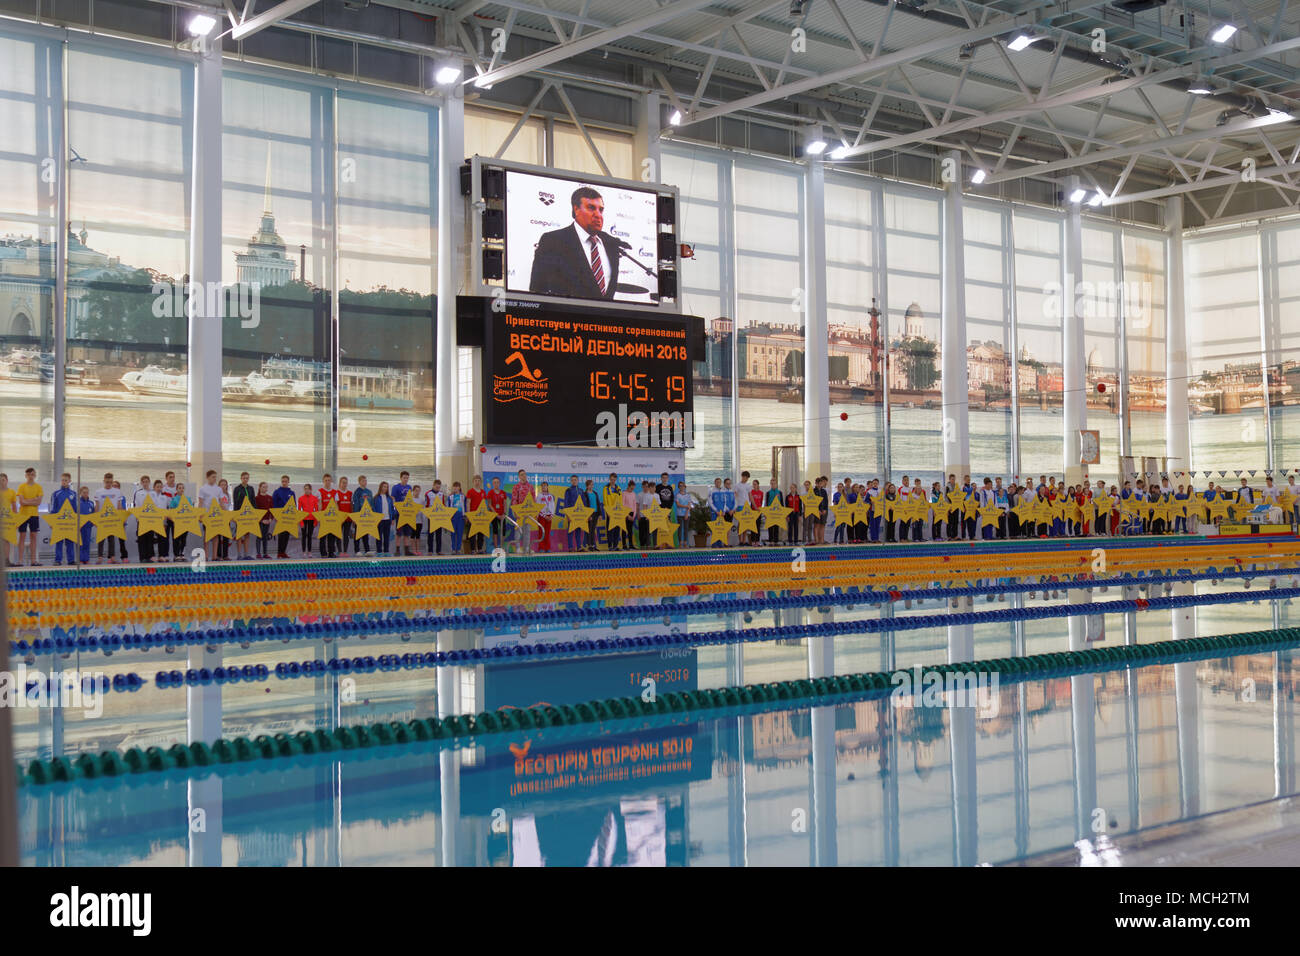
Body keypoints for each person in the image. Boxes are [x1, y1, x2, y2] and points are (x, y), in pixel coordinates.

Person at [528, 186, 622, 300]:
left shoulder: (611, 244)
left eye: (601, 210)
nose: (598, 215)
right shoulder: (553, 241)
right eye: (591, 208)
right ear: (576, 209)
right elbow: (537, 290)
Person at [92, 472, 126, 564]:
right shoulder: (98, 492)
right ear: (104, 481)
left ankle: (112, 557)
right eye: (107, 482)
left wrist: (122, 518)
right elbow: (97, 506)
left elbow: (119, 506)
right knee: (101, 539)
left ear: (112, 481)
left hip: (113, 519)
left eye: (110, 482)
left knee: (111, 539)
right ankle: (100, 557)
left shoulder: (117, 492)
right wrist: (95, 519)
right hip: (103, 519)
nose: (108, 484)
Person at [17, 467, 43, 567]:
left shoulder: (38, 487)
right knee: (22, 537)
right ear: (26, 476)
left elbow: (39, 502)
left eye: (32, 474)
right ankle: (20, 560)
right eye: (29, 475)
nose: (31, 476)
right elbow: (21, 502)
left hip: (34, 515)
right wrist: (33, 500)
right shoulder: (22, 487)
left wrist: (27, 501)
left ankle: (33, 560)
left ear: (35, 475)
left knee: (34, 537)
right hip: (23, 515)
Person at [50, 473, 77, 566]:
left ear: (69, 481)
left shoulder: (73, 494)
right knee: (59, 541)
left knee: (70, 541)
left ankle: (71, 560)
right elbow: (53, 508)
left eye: (66, 480)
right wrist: (52, 522)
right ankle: (58, 560)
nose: (64, 482)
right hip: (59, 522)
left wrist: (76, 521)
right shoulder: (56, 494)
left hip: (70, 523)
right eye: (62, 480)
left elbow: (75, 510)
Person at [167, 482, 196, 562]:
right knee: (176, 539)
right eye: (179, 488)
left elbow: (191, 510)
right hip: (176, 523)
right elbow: (172, 511)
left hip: (185, 523)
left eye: (182, 488)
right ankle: (176, 555)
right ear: (176, 489)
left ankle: (182, 554)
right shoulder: (174, 499)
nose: (181, 489)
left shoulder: (188, 499)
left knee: (183, 539)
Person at [271, 476, 296, 558]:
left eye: (286, 481)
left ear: (288, 482)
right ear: (281, 482)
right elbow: (274, 504)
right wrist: (276, 516)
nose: (284, 483)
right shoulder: (277, 492)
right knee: (281, 535)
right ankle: (279, 553)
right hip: (280, 517)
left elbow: (294, 505)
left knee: (286, 535)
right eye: (283, 481)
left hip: (288, 517)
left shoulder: (292, 493)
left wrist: (294, 516)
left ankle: (283, 552)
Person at [391, 470, 415, 557]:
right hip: (399, 514)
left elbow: (410, 501)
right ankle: (397, 550)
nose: (406, 479)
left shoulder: (409, 487)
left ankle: (407, 550)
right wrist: (393, 513)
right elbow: (393, 500)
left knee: (407, 533)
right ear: (401, 478)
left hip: (407, 514)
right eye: (404, 478)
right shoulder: (396, 487)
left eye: (407, 478)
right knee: (399, 533)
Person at [232, 472, 255, 559]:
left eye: (247, 478)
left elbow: (253, 502)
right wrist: (235, 515)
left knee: (247, 534)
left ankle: (246, 554)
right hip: (240, 515)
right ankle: (239, 554)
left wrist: (254, 514)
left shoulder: (251, 488)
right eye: (244, 478)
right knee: (239, 534)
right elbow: (235, 502)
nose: (246, 479)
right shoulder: (237, 489)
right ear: (241, 478)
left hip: (248, 515)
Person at [132, 474, 154, 565]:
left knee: (150, 538)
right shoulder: (138, 493)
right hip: (141, 519)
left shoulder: (153, 493)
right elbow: (136, 506)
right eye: (143, 482)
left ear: (149, 482)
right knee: (142, 539)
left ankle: (149, 556)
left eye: (147, 481)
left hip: (151, 519)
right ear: (141, 483)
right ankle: (142, 557)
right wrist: (138, 518)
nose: (145, 483)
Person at [562, 475, 585, 552]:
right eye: (572, 480)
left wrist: (585, 515)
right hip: (571, 515)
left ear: (578, 481)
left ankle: (579, 547)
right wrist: (568, 515)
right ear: (571, 481)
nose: (574, 481)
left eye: (575, 480)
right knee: (570, 531)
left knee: (578, 531)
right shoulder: (568, 490)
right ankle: (571, 547)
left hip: (579, 515)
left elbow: (584, 503)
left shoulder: (581, 491)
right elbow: (566, 503)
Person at [351, 476, 374, 554]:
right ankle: (357, 550)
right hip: (359, 516)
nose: (365, 482)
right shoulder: (357, 492)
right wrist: (355, 516)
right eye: (363, 481)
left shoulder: (369, 492)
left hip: (367, 517)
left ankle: (367, 550)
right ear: (359, 482)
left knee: (366, 534)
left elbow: (372, 504)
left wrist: (372, 514)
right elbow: (355, 505)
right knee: (358, 533)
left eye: (365, 480)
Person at [465, 475, 487, 554]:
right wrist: (468, 515)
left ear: (480, 482)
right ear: (473, 482)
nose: (477, 482)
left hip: (481, 516)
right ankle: (473, 549)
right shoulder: (470, 491)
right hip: (473, 516)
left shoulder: (483, 492)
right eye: (475, 481)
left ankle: (480, 548)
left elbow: (484, 504)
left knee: (481, 532)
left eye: (478, 481)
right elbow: (468, 503)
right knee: (473, 533)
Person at [424, 479, 446, 556]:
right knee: (431, 533)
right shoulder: (428, 494)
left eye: (439, 487)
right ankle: (430, 550)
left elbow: (443, 505)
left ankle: (439, 550)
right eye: (436, 486)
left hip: (439, 517)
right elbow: (426, 506)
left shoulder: (441, 494)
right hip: (431, 516)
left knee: (439, 534)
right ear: (433, 485)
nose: (437, 488)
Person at [486, 477, 508, 552]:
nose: (496, 484)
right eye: (494, 482)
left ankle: (502, 546)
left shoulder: (503, 493)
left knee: (503, 530)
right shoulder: (490, 493)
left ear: (499, 483)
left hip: (502, 515)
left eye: (497, 482)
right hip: (494, 515)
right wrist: (496, 514)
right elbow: (489, 504)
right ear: (492, 484)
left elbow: (505, 503)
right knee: (495, 530)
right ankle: (496, 548)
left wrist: (504, 513)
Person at [373, 481, 395, 555]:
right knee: (379, 536)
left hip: (387, 519)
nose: (385, 488)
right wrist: (376, 518)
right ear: (380, 487)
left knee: (386, 536)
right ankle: (379, 551)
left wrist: (392, 519)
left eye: (386, 487)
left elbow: (392, 509)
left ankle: (386, 551)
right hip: (379, 520)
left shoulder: (389, 498)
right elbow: (374, 508)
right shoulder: (376, 498)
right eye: (384, 486)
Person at [603, 473, 624, 551]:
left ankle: (615, 545)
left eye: (614, 479)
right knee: (610, 529)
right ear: (609, 479)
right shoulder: (606, 488)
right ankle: (610, 546)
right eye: (611, 479)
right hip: (610, 512)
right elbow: (605, 500)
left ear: (616, 479)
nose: (612, 481)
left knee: (617, 529)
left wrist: (621, 511)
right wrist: (608, 512)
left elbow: (620, 500)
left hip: (618, 512)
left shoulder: (618, 488)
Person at [76, 485, 96, 565]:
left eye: (87, 492)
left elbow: (93, 514)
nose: (86, 494)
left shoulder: (91, 503)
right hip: (80, 527)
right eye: (84, 492)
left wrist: (92, 523)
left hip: (88, 527)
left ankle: (86, 559)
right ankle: (80, 559)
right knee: (80, 543)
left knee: (87, 543)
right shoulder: (77, 503)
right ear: (80, 493)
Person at [254, 481, 274, 559]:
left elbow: (272, 510)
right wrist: (261, 520)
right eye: (263, 487)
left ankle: (265, 553)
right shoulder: (256, 498)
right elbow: (255, 511)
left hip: (267, 520)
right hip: (259, 521)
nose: (265, 488)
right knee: (259, 536)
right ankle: (258, 553)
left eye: (266, 487)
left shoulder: (270, 498)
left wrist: (270, 518)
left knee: (265, 537)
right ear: (259, 488)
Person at [536, 480, 556, 552]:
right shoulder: (539, 496)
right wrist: (544, 515)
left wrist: (551, 515)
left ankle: (547, 547)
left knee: (547, 532)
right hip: (542, 516)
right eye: (542, 486)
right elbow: (538, 507)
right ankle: (541, 547)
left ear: (547, 487)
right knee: (542, 532)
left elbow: (553, 506)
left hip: (549, 516)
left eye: (545, 486)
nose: (544, 487)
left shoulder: (550, 496)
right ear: (541, 487)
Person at [583, 479, 602, 551]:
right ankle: (589, 545)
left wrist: (600, 514)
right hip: (589, 514)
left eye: (592, 485)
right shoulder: (585, 494)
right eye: (590, 485)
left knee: (593, 530)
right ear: (587, 486)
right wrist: (587, 515)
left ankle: (593, 545)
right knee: (589, 530)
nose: (591, 486)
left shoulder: (595, 493)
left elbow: (598, 503)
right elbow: (585, 505)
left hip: (596, 513)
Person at [0, 473, 15, 567]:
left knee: (6, 540)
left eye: (3, 480)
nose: (1, 482)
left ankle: (6, 560)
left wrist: (15, 521)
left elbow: (14, 508)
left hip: (7, 521)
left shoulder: (12, 492)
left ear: (7, 481)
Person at [337, 476, 354, 555]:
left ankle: (345, 551)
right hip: (339, 519)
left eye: (345, 483)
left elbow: (351, 505)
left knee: (346, 535)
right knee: (339, 535)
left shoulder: (350, 493)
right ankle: (340, 551)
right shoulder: (337, 493)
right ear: (340, 483)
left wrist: (352, 516)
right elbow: (336, 506)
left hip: (348, 518)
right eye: (343, 482)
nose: (344, 484)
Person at [637, 480, 657, 548]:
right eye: (644, 486)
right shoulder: (639, 494)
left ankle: (649, 544)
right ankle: (642, 545)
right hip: (642, 515)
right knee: (642, 531)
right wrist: (638, 514)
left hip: (652, 516)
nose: (646, 488)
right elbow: (638, 505)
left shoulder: (653, 494)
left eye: (647, 486)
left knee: (649, 531)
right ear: (642, 487)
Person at [448, 481, 466, 554]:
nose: (455, 488)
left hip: (460, 515)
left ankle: (458, 549)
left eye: (457, 486)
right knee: (453, 533)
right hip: (453, 515)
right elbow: (448, 507)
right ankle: (453, 548)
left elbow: (465, 506)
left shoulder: (463, 496)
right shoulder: (450, 497)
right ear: (453, 488)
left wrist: (465, 516)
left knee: (460, 533)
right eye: (454, 487)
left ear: (459, 487)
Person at [765, 478, 784, 545]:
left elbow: (782, 503)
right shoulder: (768, 493)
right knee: (770, 527)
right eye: (772, 483)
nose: (773, 485)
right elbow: (766, 504)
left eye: (774, 483)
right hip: (770, 513)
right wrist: (765, 513)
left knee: (776, 527)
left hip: (777, 513)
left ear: (776, 484)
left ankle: (776, 541)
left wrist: (783, 513)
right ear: (770, 484)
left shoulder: (780, 493)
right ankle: (771, 541)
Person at [623, 479, 639, 549]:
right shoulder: (624, 493)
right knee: (624, 529)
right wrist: (627, 515)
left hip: (632, 513)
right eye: (631, 488)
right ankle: (624, 545)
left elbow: (634, 505)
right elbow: (622, 505)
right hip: (625, 513)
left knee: (630, 530)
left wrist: (634, 515)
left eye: (633, 488)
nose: (632, 489)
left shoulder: (633, 494)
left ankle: (631, 544)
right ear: (628, 486)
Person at [675, 481, 692, 548]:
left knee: (686, 529)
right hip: (679, 514)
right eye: (680, 486)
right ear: (679, 487)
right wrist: (686, 507)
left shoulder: (688, 495)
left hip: (687, 514)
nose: (682, 487)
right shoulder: (677, 495)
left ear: (685, 487)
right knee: (680, 529)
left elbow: (689, 505)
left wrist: (687, 513)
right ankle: (680, 543)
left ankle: (685, 543)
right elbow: (678, 505)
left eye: (683, 486)